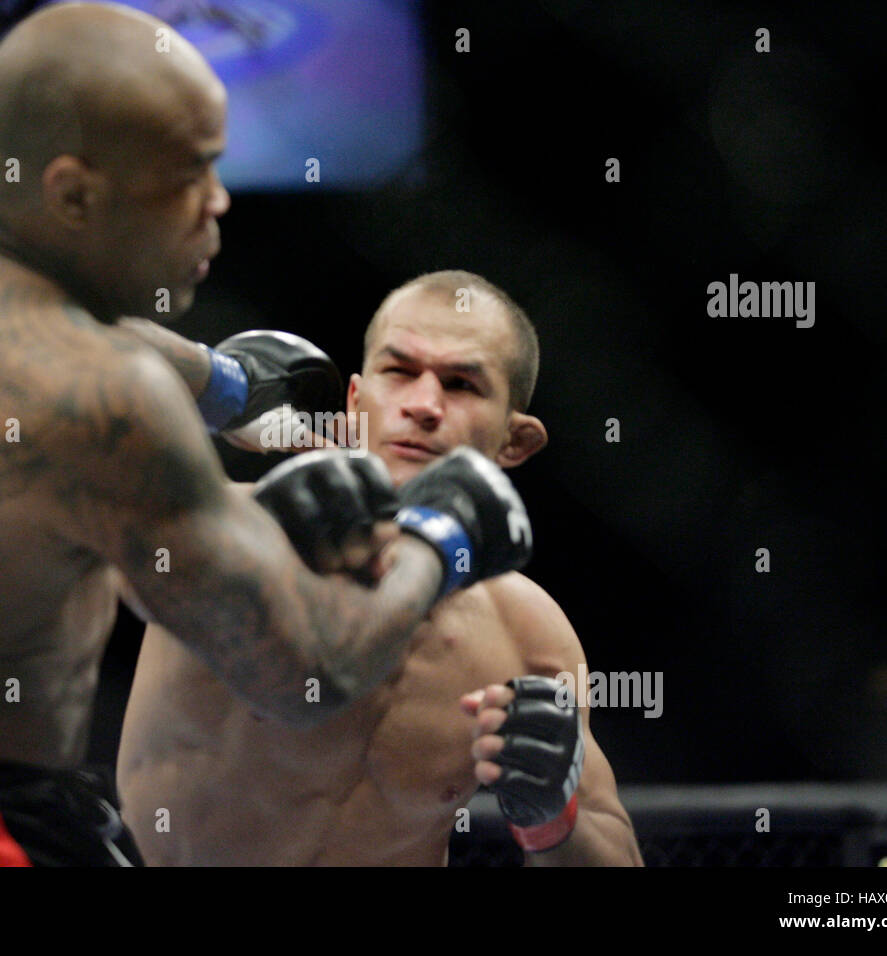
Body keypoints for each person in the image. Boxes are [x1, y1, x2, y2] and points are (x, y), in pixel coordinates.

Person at [0, 5, 531, 866]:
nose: (220, 200)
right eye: (191, 173)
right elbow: (305, 673)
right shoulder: (104, 401)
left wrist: (223, 384)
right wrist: (444, 532)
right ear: (74, 193)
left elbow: (62, 328)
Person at [118, 271, 644, 866]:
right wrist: (217, 381)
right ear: (354, 401)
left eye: (462, 383)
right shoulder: (225, 528)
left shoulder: (527, 635)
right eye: (399, 372)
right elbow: (50, 341)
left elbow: (618, 856)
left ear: (513, 443)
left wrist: (554, 814)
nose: (422, 405)